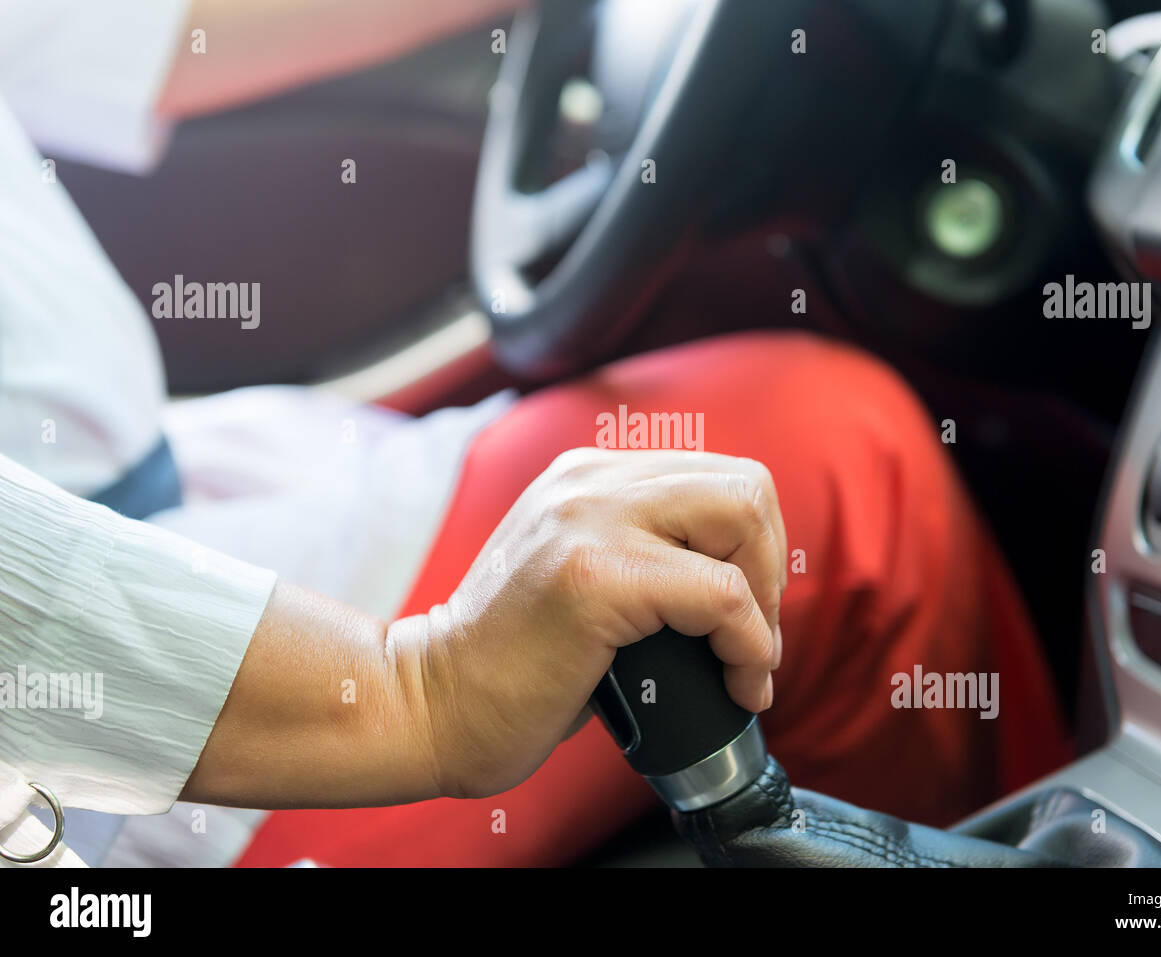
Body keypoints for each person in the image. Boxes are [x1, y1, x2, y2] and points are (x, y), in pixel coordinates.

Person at [0, 1, 1071, 869]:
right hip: (98, 741)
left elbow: (157, 25)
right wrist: (414, 689)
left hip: (158, 518)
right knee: (843, 468)